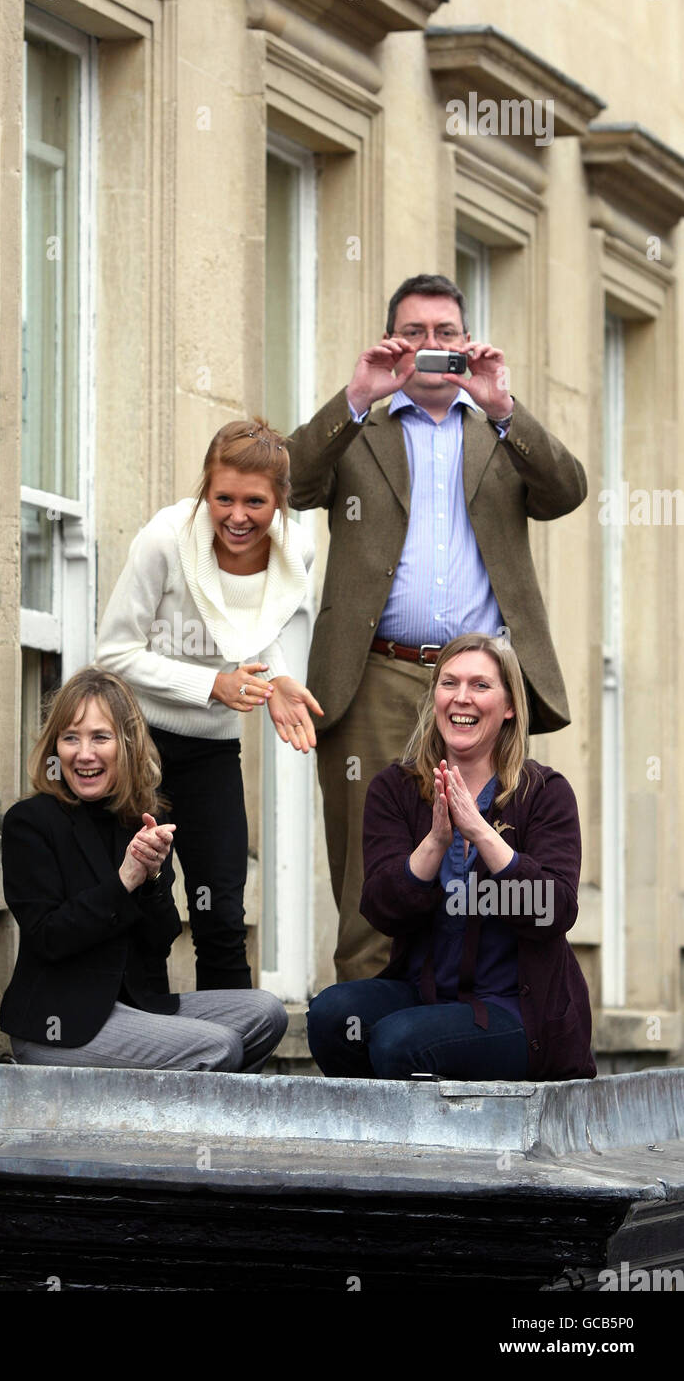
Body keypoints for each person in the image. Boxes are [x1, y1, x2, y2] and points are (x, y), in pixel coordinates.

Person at [287, 273, 587, 984]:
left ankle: (473, 1017)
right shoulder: (363, 427)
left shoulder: (496, 430)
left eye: (446, 334)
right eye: (415, 332)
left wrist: (504, 405)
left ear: (466, 343)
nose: (432, 346)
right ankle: (365, 1032)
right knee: (374, 869)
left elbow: (566, 491)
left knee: (492, 852)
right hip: (377, 674)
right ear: (394, 342)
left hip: (479, 684)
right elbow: (293, 482)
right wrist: (358, 396)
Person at [306, 634, 595, 1083]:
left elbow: (553, 910)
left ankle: (429, 1139)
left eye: (481, 685)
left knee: (399, 1042)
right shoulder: (396, 789)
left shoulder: (544, 793)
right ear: (435, 696)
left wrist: (480, 832)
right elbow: (380, 907)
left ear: (510, 706)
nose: (462, 697)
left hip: (516, 1011)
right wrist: (436, 842)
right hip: (427, 998)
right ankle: (383, 1137)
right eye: (449, 683)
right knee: (332, 1015)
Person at [95, 421, 322, 990]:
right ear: (205, 489)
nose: (237, 516)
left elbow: (251, 626)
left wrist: (279, 679)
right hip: (139, 746)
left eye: (255, 501)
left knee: (221, 913)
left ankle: (236, 1064)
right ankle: (143, 1044)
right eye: (223, 498)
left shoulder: (296, 553)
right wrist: (211, 686)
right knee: (147, 908)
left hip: (214, 754)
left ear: (280, 502)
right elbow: (113, 652)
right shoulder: (164, 540)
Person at [0, 667, 288, 1072]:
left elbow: (159, 941)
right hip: (63, 1025)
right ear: (55, 748)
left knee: (266, 1012)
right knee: (217, 1047)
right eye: (70, 738)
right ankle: (197, 1133)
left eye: (100, 737)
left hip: (139, 1011)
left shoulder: (142, 820)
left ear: (128, 745)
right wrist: (125, 880)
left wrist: (152, 878)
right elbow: (49, 937)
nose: (84, 754)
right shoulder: (30, 822)